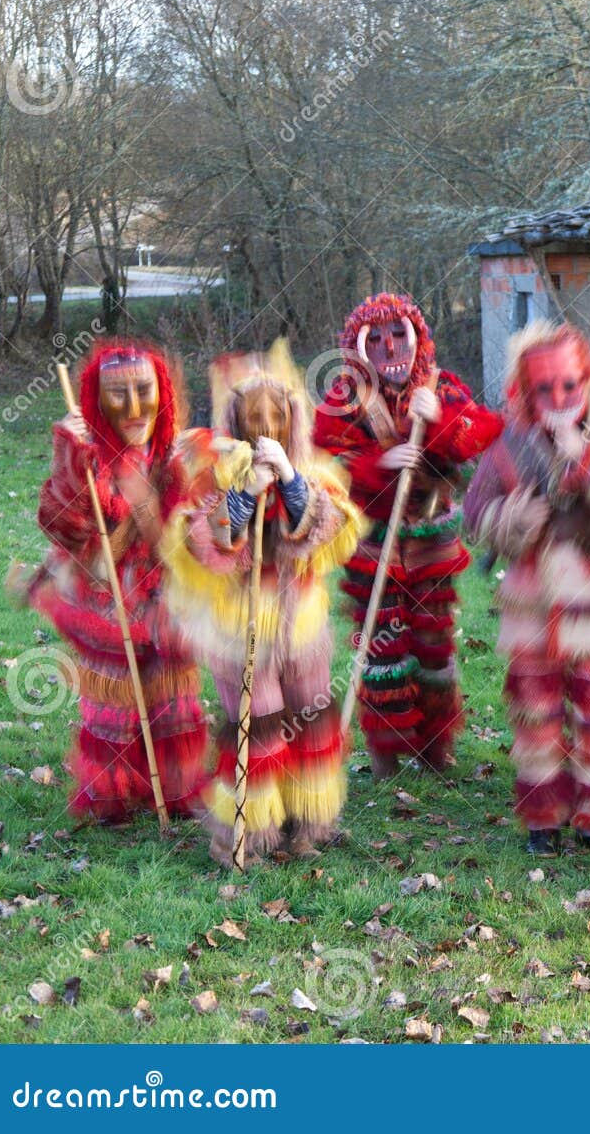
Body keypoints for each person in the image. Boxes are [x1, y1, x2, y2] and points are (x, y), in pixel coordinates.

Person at [162, 344, 363, 865]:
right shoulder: (212, 474)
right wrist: (245, 494)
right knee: (260, 717)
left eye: (276, 416)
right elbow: (200, 544)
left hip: (300, 625)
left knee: (311, 710)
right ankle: (252, 828)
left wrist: (292, 484)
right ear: (236, 420)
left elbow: (334, 530)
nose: (266, 426)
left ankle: (308, 820)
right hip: (241, 625)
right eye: (255, 418)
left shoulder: (311, 470)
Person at [464, 321, 590, 858]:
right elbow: (475, 515)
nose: (557, 399)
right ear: (526, 393)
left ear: (588, 383)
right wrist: (511, 516)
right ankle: (542, 820)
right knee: (536, 715)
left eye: (568, 386)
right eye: (544, 389)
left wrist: (587, 467)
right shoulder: (507, 448)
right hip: (529, 609)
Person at [19, 338, 208, 822]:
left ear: (160, 392)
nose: (132, 407)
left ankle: (175, 787)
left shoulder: (173, 457)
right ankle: (112, 794)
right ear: (96, 401)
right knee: (115, 700)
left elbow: (193, 527)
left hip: (168, 599)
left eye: (142, 390)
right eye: (116, 394)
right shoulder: (91, 459)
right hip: (111, 601)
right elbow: (64, 525)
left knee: (172, 696)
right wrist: (69, 457)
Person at [313, 294, 502, 776]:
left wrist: (438, 419)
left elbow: (479, 434)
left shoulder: (441, 386)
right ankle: (385, 755)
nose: (388, 346)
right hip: (373, 548)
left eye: (398, 334)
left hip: (430, 545)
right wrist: (379, 465)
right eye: (373, 339)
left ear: (416, 337)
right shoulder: (344, 397)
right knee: (380, 649)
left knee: (434, 646)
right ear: (357, 347)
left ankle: (434, 748)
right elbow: (326, 468)